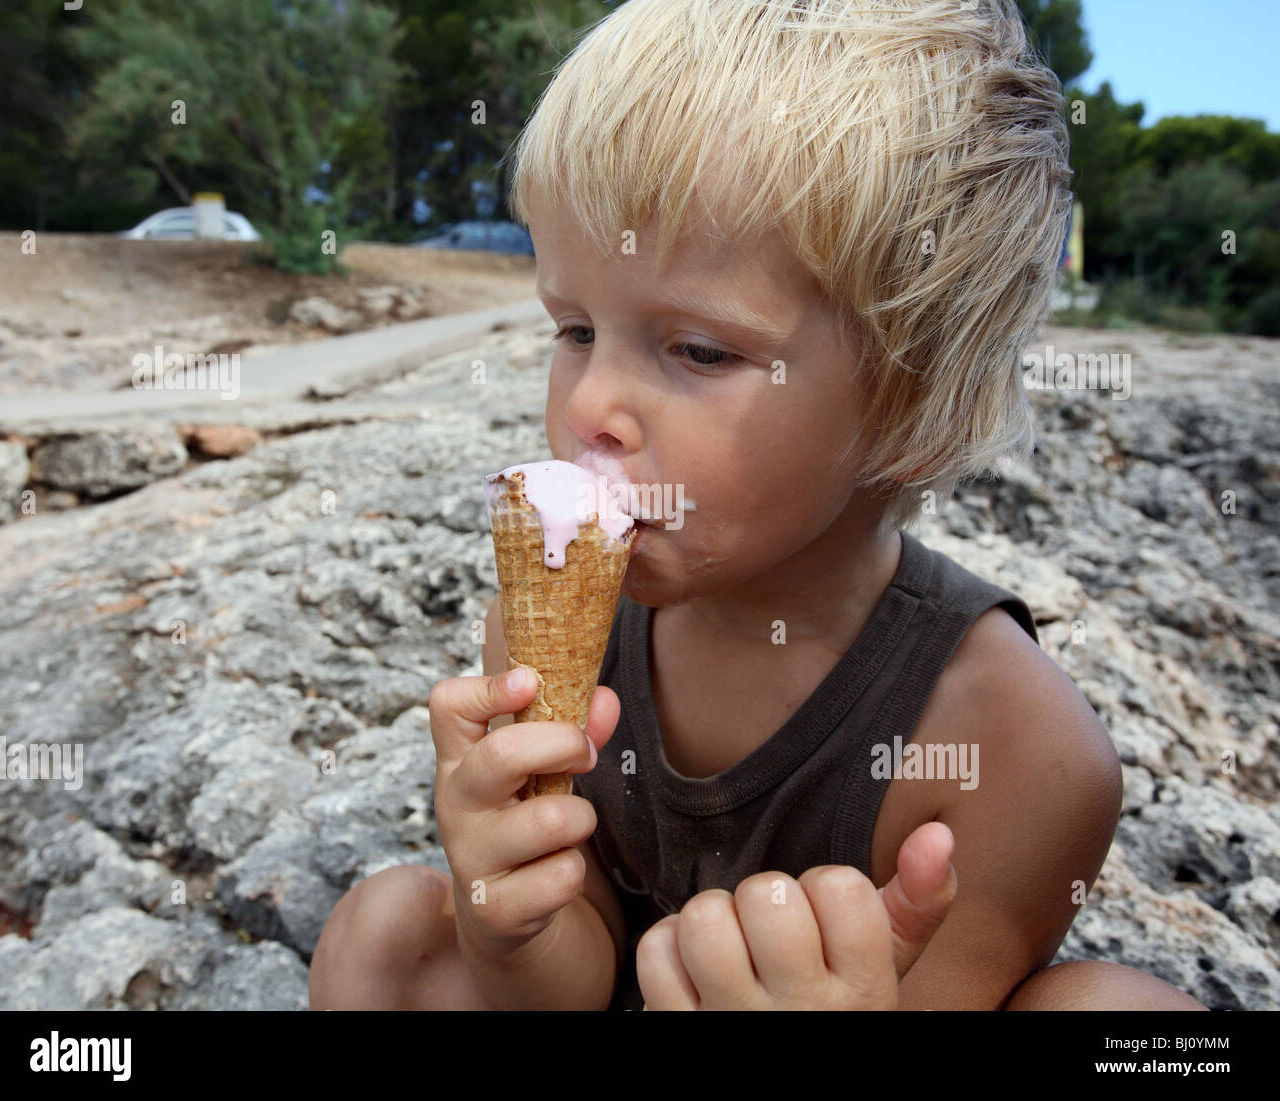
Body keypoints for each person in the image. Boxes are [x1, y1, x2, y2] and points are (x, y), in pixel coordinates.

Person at [309, 0, 1206, 1011]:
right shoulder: (541, 632)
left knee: (1127, 1019)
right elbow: (571, 977)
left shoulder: (1018, 750)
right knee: (386, 931)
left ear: (916, 402)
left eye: (697, 349)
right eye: (573, 329)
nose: (591, 405)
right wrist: (509, 913)